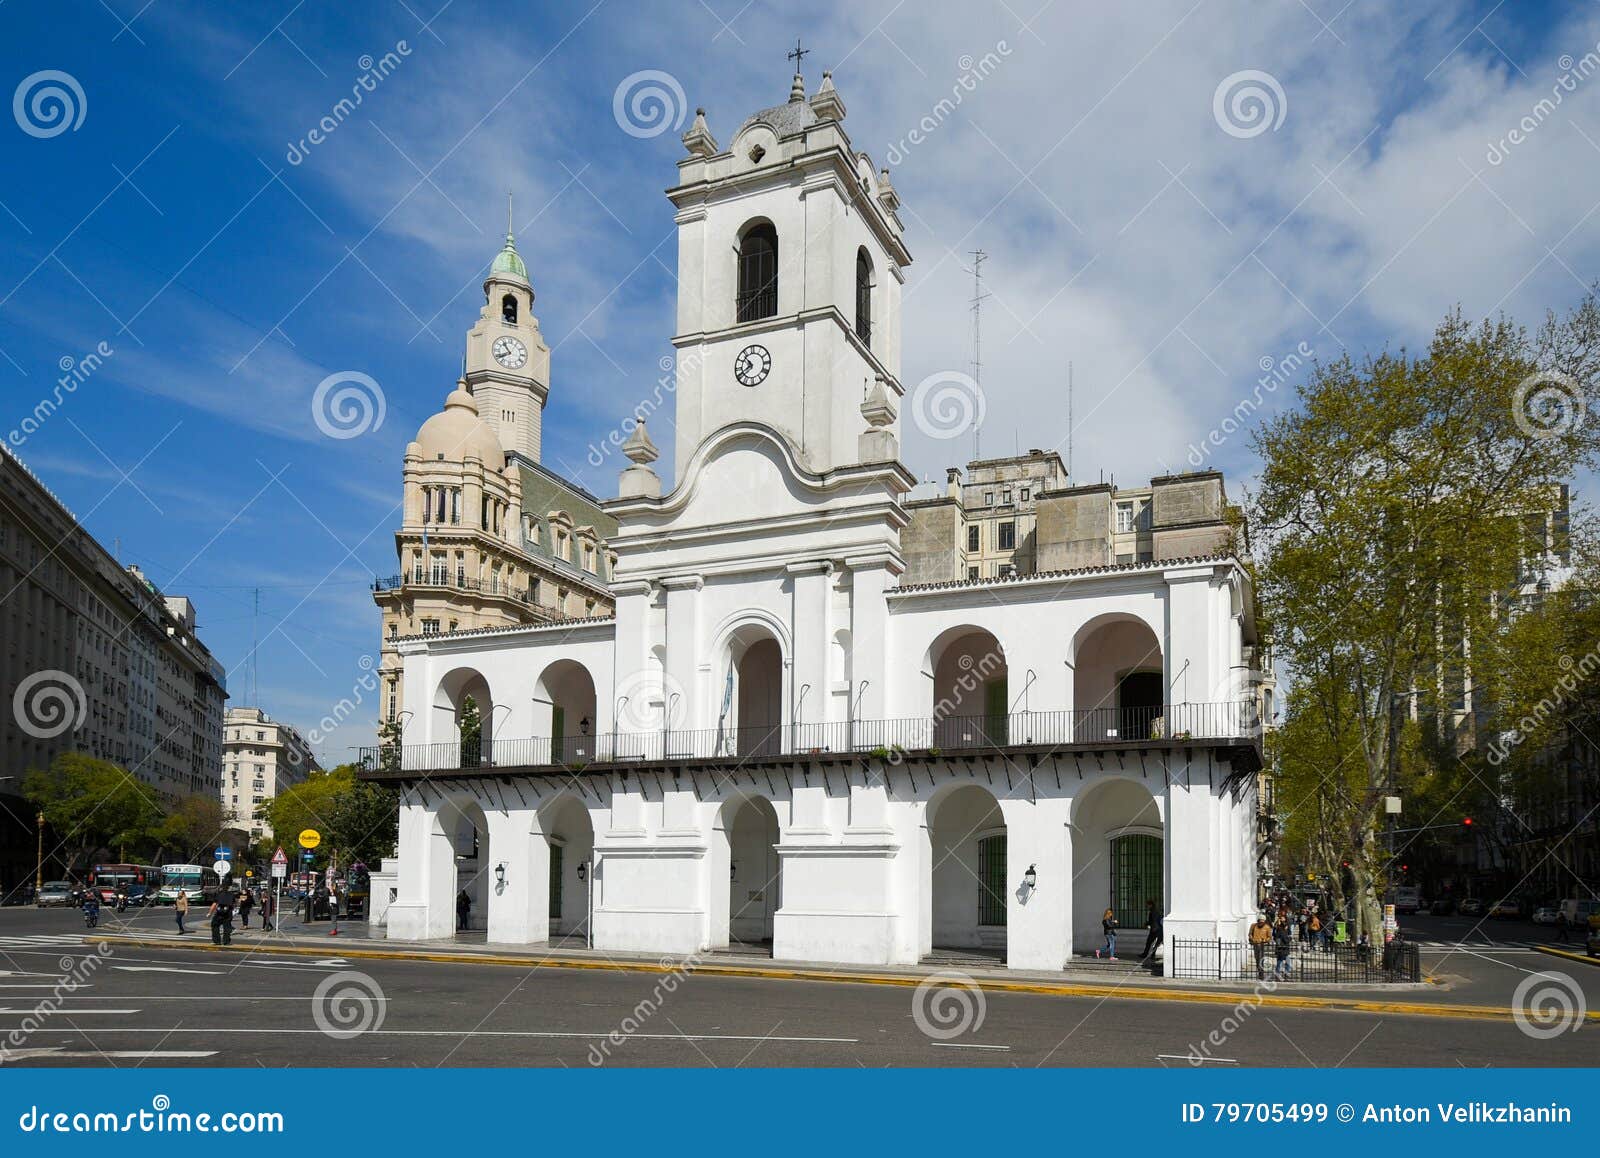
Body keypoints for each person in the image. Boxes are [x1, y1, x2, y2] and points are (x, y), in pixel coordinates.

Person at [1248, 914, 1273, 979]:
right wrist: (1252, 939)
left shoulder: (1267, 927)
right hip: (1255, 944)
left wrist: (1264, 940)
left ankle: (1261, 973)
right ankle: (1259, 971)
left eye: (1262, 921)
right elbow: (1250, 934)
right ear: (1258, 920)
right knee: (1257, 959)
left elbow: (1269, 937)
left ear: (1264, 921)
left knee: (1261, 959)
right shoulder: (1253, 926)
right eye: (1260, 921)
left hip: (1262, 945)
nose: (1261, 922)